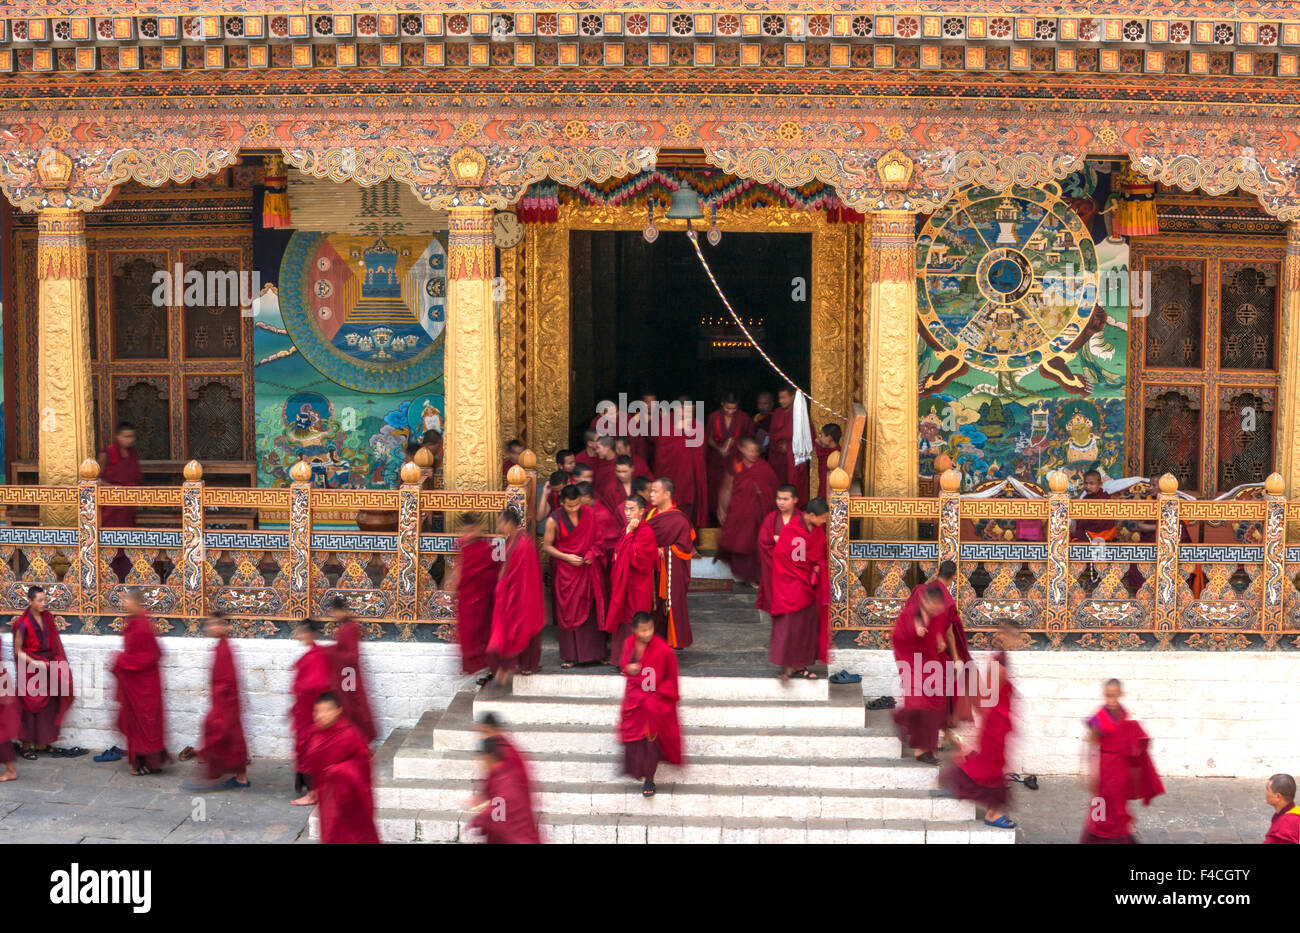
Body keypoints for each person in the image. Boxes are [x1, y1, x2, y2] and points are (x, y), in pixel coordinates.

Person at [939, 621, 1018, 829]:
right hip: (996, 724)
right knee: (993, 769)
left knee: (991, 766)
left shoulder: (1002, 659)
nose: (1016, 640)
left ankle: (955, 778)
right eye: (1013, 636)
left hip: (1001, 723)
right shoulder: (997, 663)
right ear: (1004, 637)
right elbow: (988, 697)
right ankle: (993, 812)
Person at [1080, 678, 1165, 843]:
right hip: (1104, 770)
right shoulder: (1100, 716)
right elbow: (1091, 742)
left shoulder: (1125, 717)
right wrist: (1089, 772)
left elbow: (1137, 743)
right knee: (1101, 807)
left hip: (1120, 771)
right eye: (1107, 695)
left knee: (1118, 809)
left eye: (1113, 696)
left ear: (1120, 694)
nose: (1110, 700)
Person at [543, 485, 608, 668]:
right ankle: (570, 656)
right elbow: (547, 546)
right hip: (567, 573)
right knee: (568, 611)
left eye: (577, 504)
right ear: (562, 503)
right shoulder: (553, 520)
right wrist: (567, 557)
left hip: (587, 571)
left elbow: (598, 541)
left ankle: (596, 653)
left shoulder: (589, 513)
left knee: (591, 612)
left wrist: (591, 554)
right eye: (570, 506)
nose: (574, 508)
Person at [618, 611, 682, 798]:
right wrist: (628, 668)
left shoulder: (663, 649)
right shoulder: (629, 644)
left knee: (650, 741)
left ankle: (649, 778)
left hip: (654, 702)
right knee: (634, 740)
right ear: (634, 630)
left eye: (650, 629)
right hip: (634, 700)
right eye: (643, 630)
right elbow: (625, 665)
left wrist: (658, 699)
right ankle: (636, 769)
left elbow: (671, 678)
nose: (647, 633)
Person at [183, 612, 249, 790]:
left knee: (218, 735)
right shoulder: (221, 646)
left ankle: (216, 776)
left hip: (226, 702)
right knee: (231, 739)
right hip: (222, 701)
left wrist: (221, 702)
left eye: (214, 624)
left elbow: (228, 680)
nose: (210, 628)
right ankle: (240, 777)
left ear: (224, 626)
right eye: (209, 624)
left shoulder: (225, 649)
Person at [304, 692, 380, 844]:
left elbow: (363, 763)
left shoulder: (349, 734)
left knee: (353, 835)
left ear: (338, 711)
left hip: (350, 798)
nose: (321, 715)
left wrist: (339, 770)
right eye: (317, 711)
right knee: (331, 833)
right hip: (327, 797)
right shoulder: (315, 733)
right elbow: (315, 764)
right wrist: (313, 788)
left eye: (327, 710)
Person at [768, 498, 831, 680]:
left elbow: (820, 554)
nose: (824, 521)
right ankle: (787, 666)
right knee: (790, 625)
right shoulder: (793, 531)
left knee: (806, 626)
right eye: (823, 518)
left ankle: (799, 665)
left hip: (808, 586)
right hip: (791, 585)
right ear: (811, 515)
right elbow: (788, 559)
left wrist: (818, 566)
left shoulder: (817, 531)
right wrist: (809, 571)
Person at [11, 586, 76, 760]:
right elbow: (18, 651)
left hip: (47, 664)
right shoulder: (21, 624)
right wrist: (36, 663)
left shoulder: (47, 617)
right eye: (39, 600)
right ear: (30, 601)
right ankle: (25, 746)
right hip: (31, 668)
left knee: (48, 706)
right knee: (28, 706)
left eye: (44, 599)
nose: (43, 603)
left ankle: (42, 744)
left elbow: (54, 642)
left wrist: (55, 663)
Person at [113, 588, 171, 775]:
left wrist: (120, 660)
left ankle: (148, 764)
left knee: (146, 723)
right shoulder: (135, 622)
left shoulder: (144, 625)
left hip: (145, 684)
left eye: (126, 600)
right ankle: (146, 762)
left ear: (135, 602)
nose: (124, 604)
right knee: (138, 723)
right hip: (137, 682)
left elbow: (150, 656)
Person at [891, 583, 949, 764]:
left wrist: (939, 638)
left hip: (930, 661)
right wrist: (914, 631)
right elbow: (897, 637)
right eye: (932, 605)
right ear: (924, 600)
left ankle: (924, 750)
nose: (935, 610)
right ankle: (901, 718)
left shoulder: (938, 614)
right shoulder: (910, 614)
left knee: (933, 703)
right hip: (909, 659)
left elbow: (938, 629)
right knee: (918, 701)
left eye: (937, 606)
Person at [487, 508, 546, 682]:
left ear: (510, 523)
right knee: (510, 629)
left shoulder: (524, 544)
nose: (499, 527)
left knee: (524, 626)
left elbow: (527, 575)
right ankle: (515, 664)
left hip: (523, 594)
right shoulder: (512, 541)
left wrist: (513, 591)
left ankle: (529, 664)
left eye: (501, 523)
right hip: (513, 592)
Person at [716, 437, 780, 586]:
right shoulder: (736, 465)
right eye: (749, 450)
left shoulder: (764, 467)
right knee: (740, 541)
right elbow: (727, 488)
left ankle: (755, 576)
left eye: (755, 451)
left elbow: (774, 488)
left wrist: (763, 493)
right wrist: (722, 508)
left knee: (756, 542)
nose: (752, 454)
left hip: (760, 512)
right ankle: (747, 576)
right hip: (740, 511)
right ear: (742, 449)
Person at [605, 494, 658, 667]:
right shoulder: (627, 529)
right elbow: (618, 554)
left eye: (631, 509)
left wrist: (628, 534)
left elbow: (637, 559)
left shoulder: (646, 532)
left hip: (638, 586)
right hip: (624, 583)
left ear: (642, 511)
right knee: (623, 620)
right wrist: (627, 534)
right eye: (626, 509)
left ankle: (635, 661)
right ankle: (620, 660)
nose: (627, 513)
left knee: (634, 620)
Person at [646, 478, 695, 649]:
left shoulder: (679, 519)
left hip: (670, 568)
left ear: (667, 494)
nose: (651, 495)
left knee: (671, 602)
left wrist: (663, 551)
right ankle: (653, 635)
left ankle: (674, 638)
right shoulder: (649, 515)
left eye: (655, 491)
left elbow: (685, 548)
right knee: (652, 603)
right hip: (651, 567)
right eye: (651, 491)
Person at [290, 619, 334, 806]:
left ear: (309, 633)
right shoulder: (314, 654)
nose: (298, 635)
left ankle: (313, 794)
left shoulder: (316, 657)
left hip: (310, 714)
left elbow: (316, 686)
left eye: (300, 631)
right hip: (305, 712)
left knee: (310, 752)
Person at [467, 736, 542, 843]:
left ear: (489, 757)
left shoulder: (507, 781)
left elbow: (500, 813)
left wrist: (477, 821)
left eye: (482, 757)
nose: (480, 762)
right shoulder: (497, 773)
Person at [451, 513, 497, 679]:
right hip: (468, 595)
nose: (469, 533)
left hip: (482, 596)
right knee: (468, 631)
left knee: (482, 629)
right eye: (467, 530)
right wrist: (454, 588)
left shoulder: (485, 547)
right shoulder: (462, 545)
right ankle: (476, 667)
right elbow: (459, 569)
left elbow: (492, 573)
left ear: (477, 528)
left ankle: (487, 665)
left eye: (472, 529)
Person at [326, 596, 377, 744]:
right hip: (345, 673)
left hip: (349, 674)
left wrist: (332, 652)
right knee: (348, 705)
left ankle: (358, 741)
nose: (333, 615)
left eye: (334, 612)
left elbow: (353, 656)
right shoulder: (345, 626)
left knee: (352, 706)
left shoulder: (349, 627)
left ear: (340, 610)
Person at [98, 421, 144, 581]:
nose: (129, 440)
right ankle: (108, 575)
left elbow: (135, 477)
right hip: (112, 504)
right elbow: (97, 479)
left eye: (131, 436)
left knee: (127, 538)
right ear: (118, 436)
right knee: (111, 538)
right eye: (126, 436)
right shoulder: (107, 453)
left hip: (128, 506)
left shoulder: (132, 454)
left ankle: (125, 576)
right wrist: (114, 489)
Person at [651, 404, 708, 529]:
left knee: (687, 516)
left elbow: (700, 454)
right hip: (671, 479)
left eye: (690, 411)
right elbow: (661, 454)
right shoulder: (665, 425)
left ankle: (687, 539)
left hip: (690, 480)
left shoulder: (696, 425)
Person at [706, 394, 753, 524]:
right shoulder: (714, 417)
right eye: (728, 408)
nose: (731, 411)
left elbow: (749, 440)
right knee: (715, 491)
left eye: (734, 409)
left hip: (735, 460)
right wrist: (719, 449)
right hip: (716, 461)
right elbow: (708, 438)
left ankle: (733, 520)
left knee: (733, 490)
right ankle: (715, 521)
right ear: (722, 404)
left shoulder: (744, 418)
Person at [757, 485, 799, 617]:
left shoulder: (802, 519)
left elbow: (806, 543)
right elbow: (763, 542)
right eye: (778, 498)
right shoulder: (771, 518)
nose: (780, 502)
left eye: (785, 499)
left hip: (796, 568)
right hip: (775, 567)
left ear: (795, 500)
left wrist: (780, 540)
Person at [767, 388, 810, 506]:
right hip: (778, 458)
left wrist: (790, 448)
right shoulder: (777, 413)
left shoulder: (800, 414)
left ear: (792, 397)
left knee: (794, 487)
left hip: (793, 459)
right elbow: (772, 435)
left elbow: (807, 439)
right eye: (779, 398)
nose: (781, 401)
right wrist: (778, 446)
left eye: (784, 398)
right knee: (777, 485)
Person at [1071, 469, 1116, 542]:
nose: (1088, 486)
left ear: (1100, 484)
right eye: (1086, 483)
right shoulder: (1085, 498)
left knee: (1076, 541)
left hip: (1102, 533)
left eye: (1091, 484)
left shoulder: (1104, 498)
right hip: (1087, 531)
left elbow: (1101, 522)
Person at [1264, 773, 1300, 844]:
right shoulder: (1294, 810)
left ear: (1278, 796)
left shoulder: (1287, 822)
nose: (1266, 793)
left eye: (1268, 790)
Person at [598, 454, 636, 520]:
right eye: (618, 471)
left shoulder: (639, 485)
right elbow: (608, 511)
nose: (622, 475)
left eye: (624, 471)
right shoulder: (610, 488)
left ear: (632, 469)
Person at [814, 423, 842, 499]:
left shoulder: (835, 456)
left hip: (828, 493)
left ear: (829, 438)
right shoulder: (828, 450)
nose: (820, 438)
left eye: (822, 436)